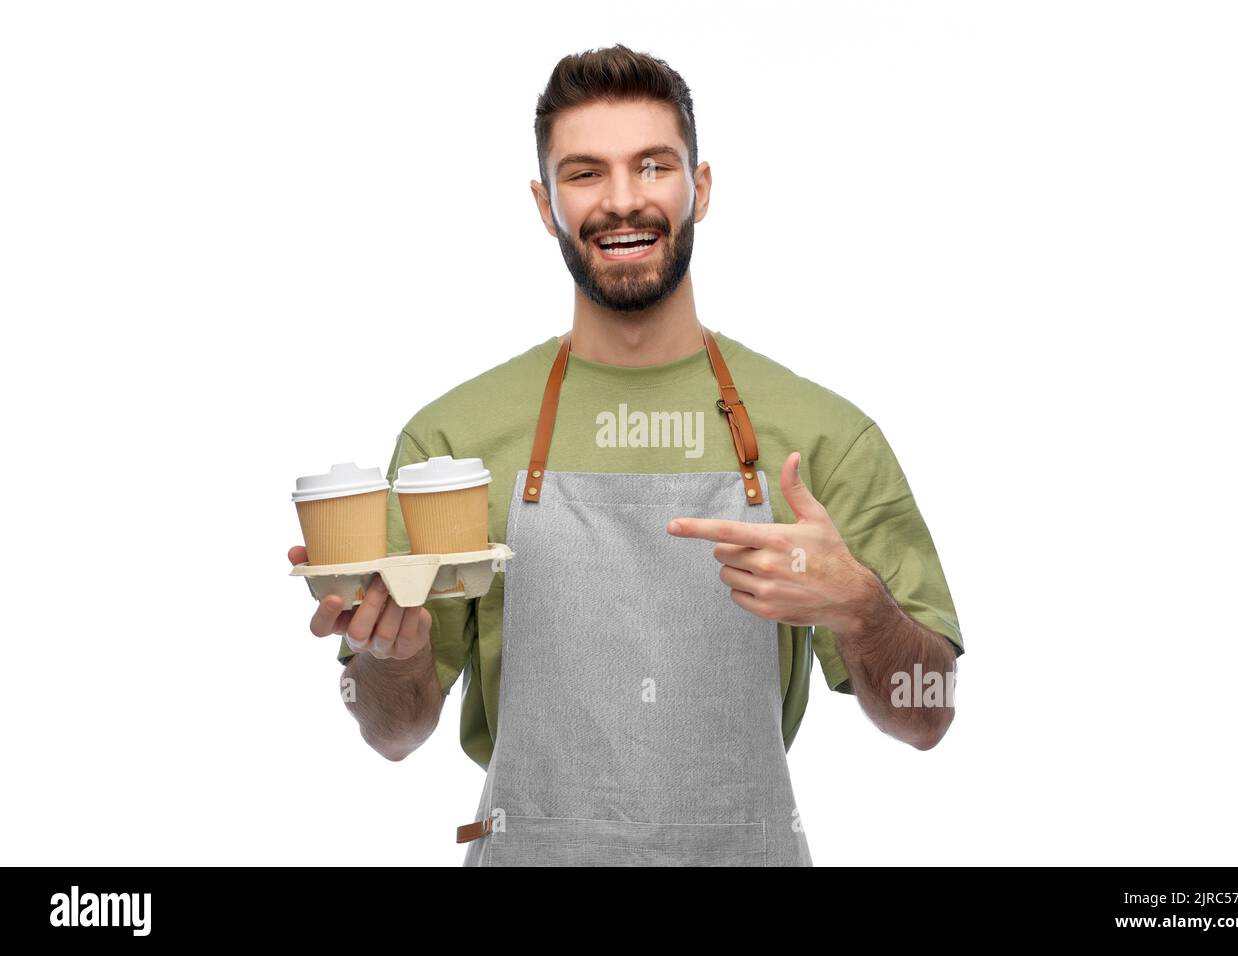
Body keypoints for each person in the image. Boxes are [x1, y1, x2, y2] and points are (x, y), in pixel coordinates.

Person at [288, 43, 964, 866]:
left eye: (653, 166)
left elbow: (926, 716)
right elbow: (395, 733)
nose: (622, 201)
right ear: (545, 204)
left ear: (699, 187)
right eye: (584, 173)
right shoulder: (453, 445)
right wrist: (389, 656)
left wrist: (863, 609)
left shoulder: (821, 434)